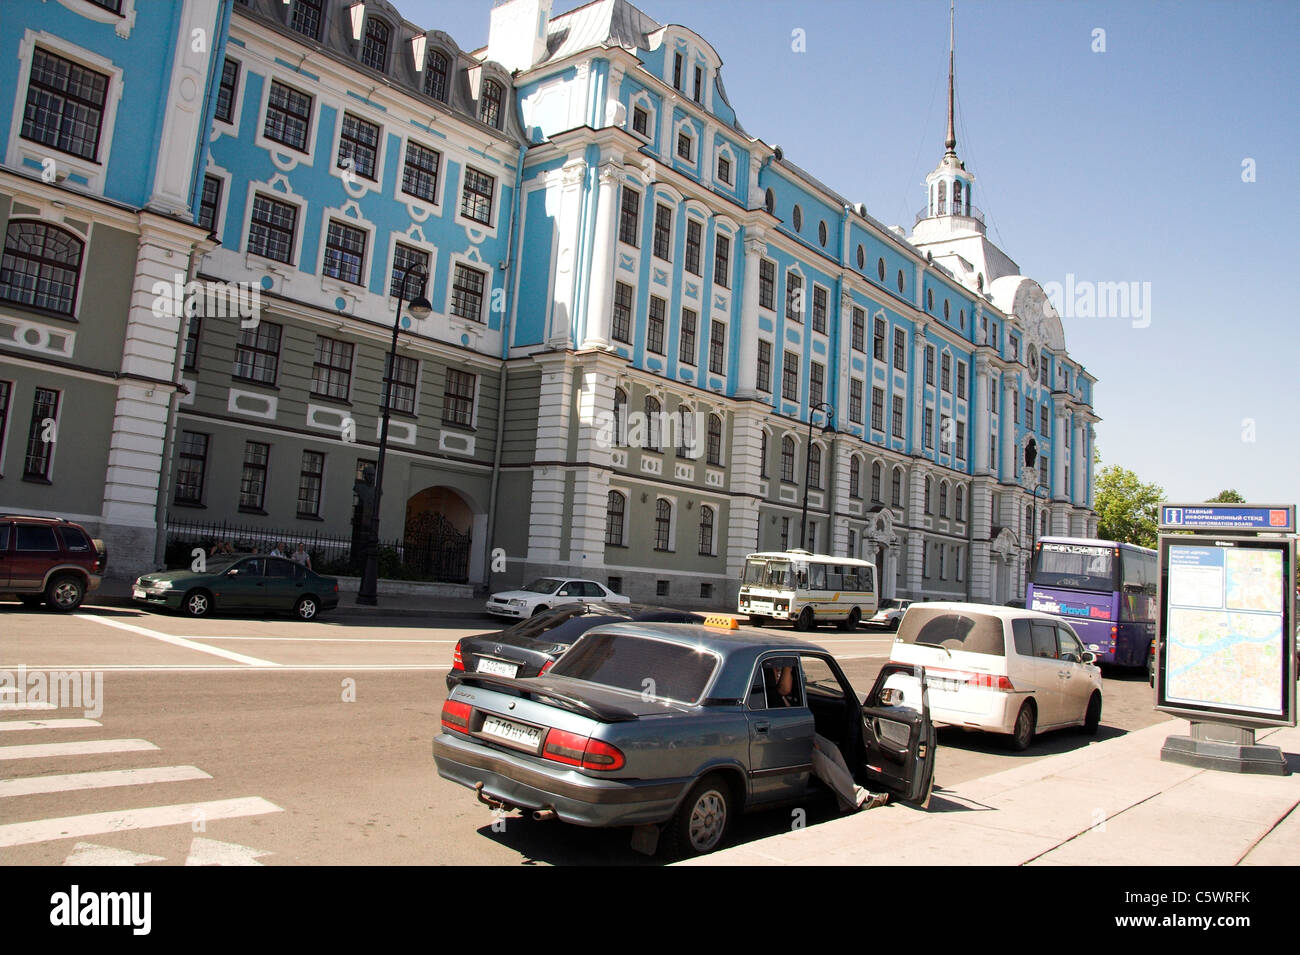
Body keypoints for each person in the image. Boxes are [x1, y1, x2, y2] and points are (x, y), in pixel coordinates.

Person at [767, 662, 888, 813]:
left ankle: (847, 800)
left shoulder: (773, 688)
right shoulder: (769, 687)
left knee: (832, 749)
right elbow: (784, 690)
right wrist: (787, 667)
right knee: (816, 757)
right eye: (778, 670)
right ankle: (860, 798)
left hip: (794, 735)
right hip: (782, 743)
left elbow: (785, 700)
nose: (779, 672)